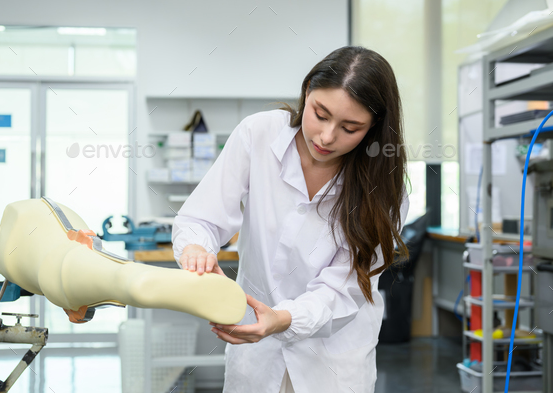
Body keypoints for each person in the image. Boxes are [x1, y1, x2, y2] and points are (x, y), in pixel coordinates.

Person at [172, 45, 411, 393]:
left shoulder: (385, 188)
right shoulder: (259, 133)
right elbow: (201, 218)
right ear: (307, 90)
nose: (327, 137)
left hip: (333, 362)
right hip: (255, 352)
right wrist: (196, 247)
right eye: (320, 113)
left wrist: (282, 319)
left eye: (350, 127)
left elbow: (343, 288)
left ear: (374, 128)